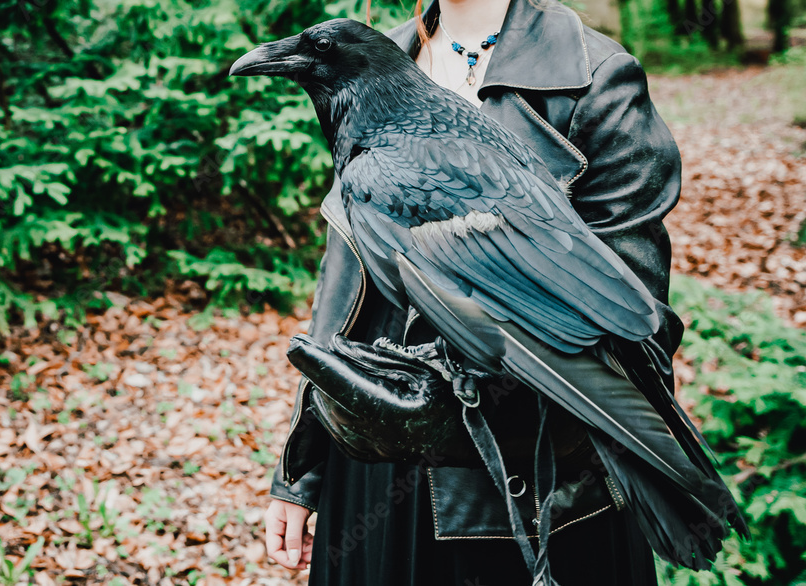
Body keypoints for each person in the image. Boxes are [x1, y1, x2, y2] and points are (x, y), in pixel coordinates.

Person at [264, 0, 684, 583]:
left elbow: (632, 323)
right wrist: (301, 470)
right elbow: (342, 290)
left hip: (527, 481)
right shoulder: (370, 56)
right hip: (374, 455)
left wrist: (459, 409)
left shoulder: (592, 73)